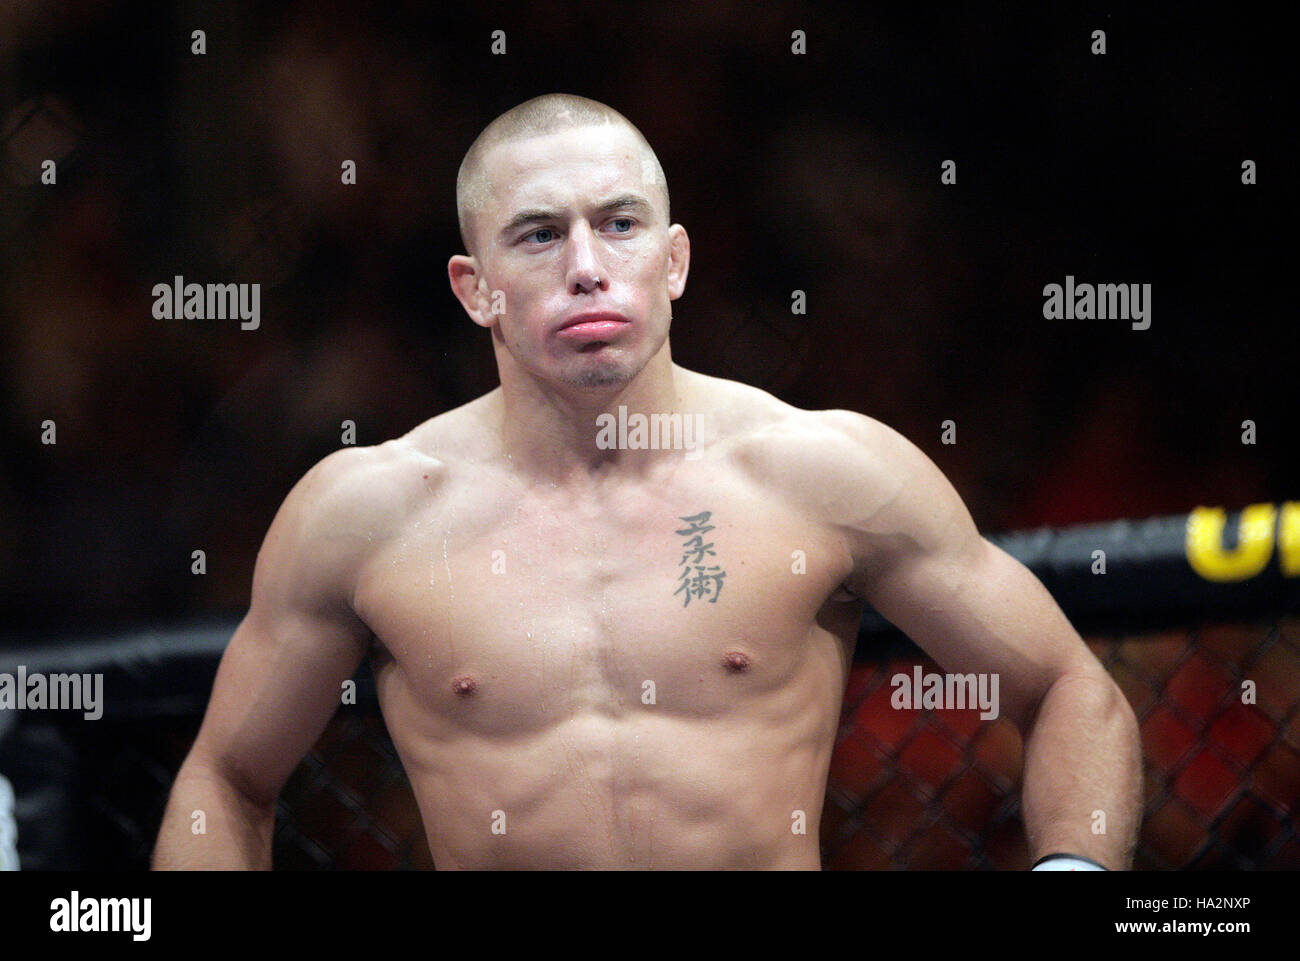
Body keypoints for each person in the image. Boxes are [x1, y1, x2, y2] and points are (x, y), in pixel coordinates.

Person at [153, 93, 1141, 870]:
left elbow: (1068, 690)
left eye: (619, 224)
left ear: (674, 261)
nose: (587, 266)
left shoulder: (824, 471)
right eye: (539, 234)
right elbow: (227, 779)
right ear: (475, 287)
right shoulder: (366, 513)